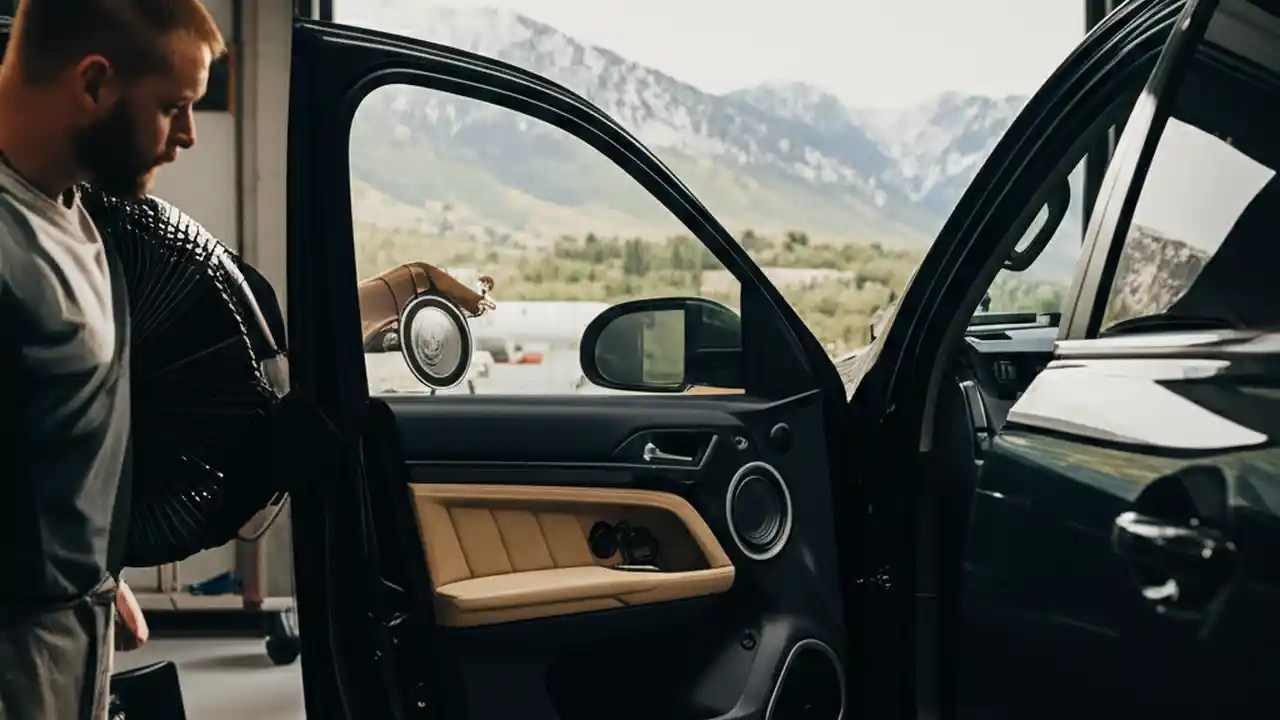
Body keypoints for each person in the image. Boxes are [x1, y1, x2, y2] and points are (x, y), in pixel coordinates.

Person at [0, 1, 224, 717]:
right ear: (94, 85)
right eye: (173, 107)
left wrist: (92, 569)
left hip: (68, 627)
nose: (187, 135)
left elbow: (42, 431)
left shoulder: (73, 210)